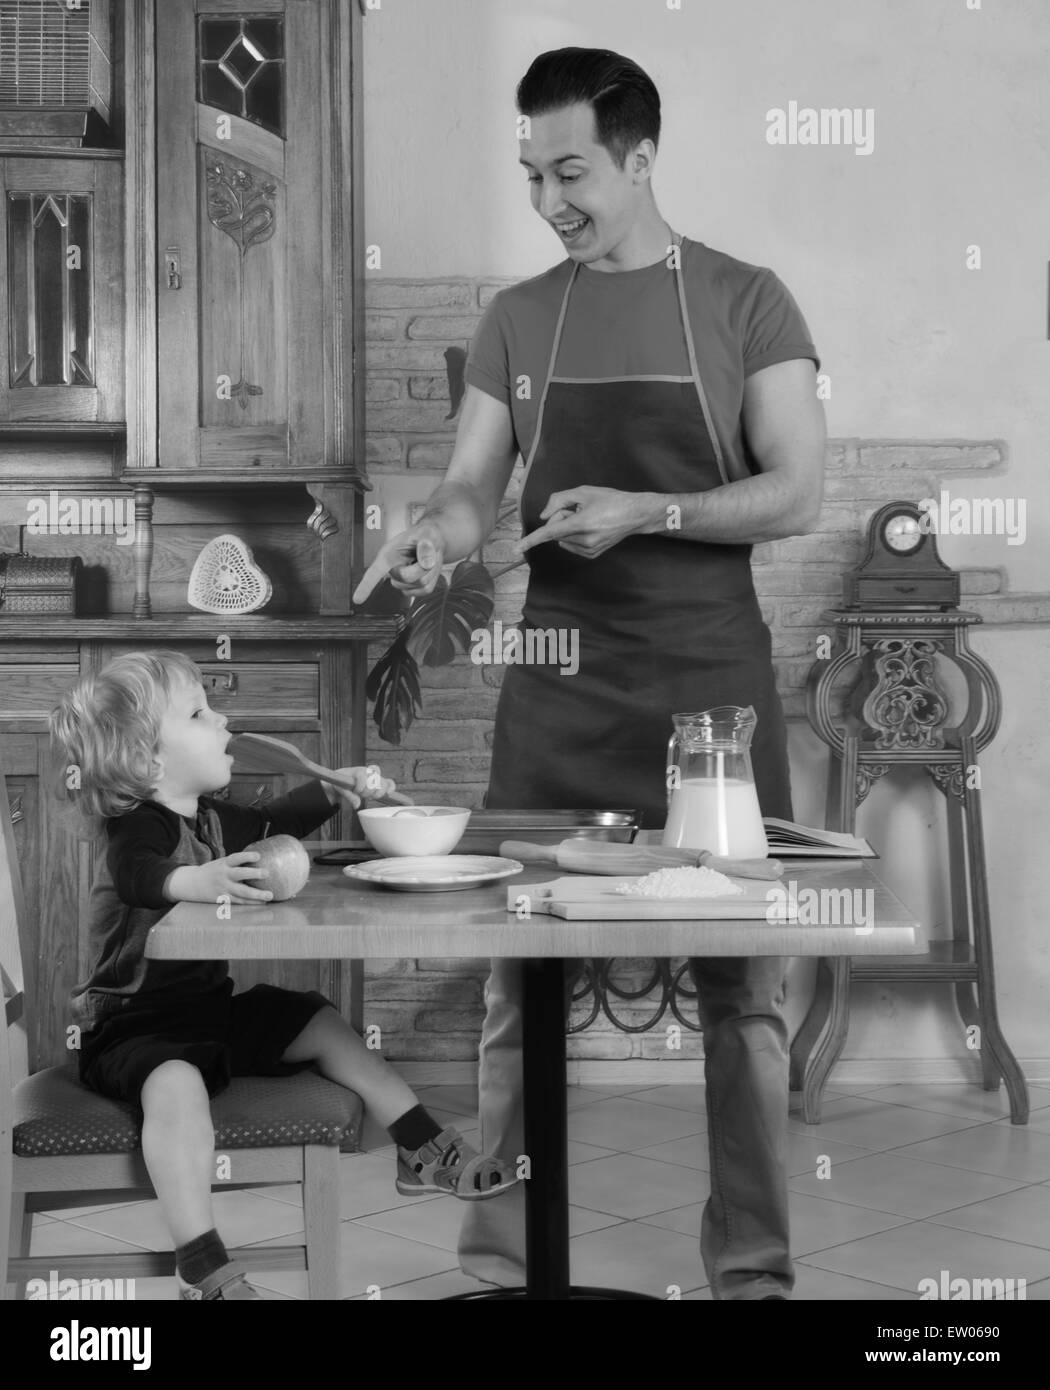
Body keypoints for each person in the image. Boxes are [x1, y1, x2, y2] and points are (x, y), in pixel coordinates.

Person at [354, 48, 826, 1299]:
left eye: (571, 171)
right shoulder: (519, 315)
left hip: (709, 693)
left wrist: (650, 512)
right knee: (517, 988)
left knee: (743, 996)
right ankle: (504, 1261)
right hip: (559, 694)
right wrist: (431, 537)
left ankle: (757, 1272)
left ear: (640, 156)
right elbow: (471, 486)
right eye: (531, 175)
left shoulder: (747, 300)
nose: (549, 199)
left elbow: (798, 488)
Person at [49, 649, 517, 1302]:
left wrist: (336, 787)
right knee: (177, 1082)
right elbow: (137, 875)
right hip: (130, 1031)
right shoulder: (136, 826)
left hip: (208, 1014)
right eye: (199, 712)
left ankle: (422, 1147)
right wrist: (196, 879)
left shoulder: (208, 816)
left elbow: (274, 823)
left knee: (320, 1021)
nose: (224, 718)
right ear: (148, 760)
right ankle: (206, 1270)